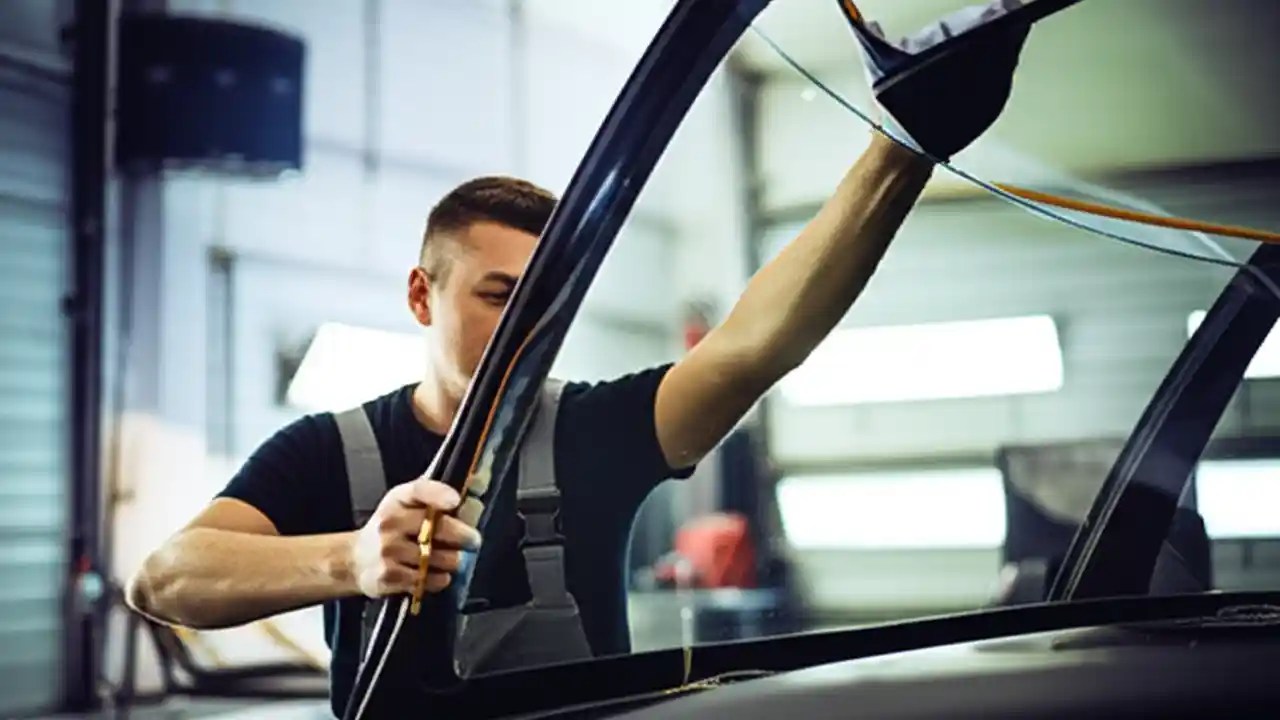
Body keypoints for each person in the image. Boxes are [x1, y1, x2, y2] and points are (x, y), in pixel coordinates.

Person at [126, 9, 1030, 711]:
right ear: (419, 295)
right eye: (493, 294)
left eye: (540, 300)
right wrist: (353, 561)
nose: (522, 326)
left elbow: (759, 343)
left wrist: (902, 149)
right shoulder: (328, 453)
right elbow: (165, 579)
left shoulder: (598, 430)